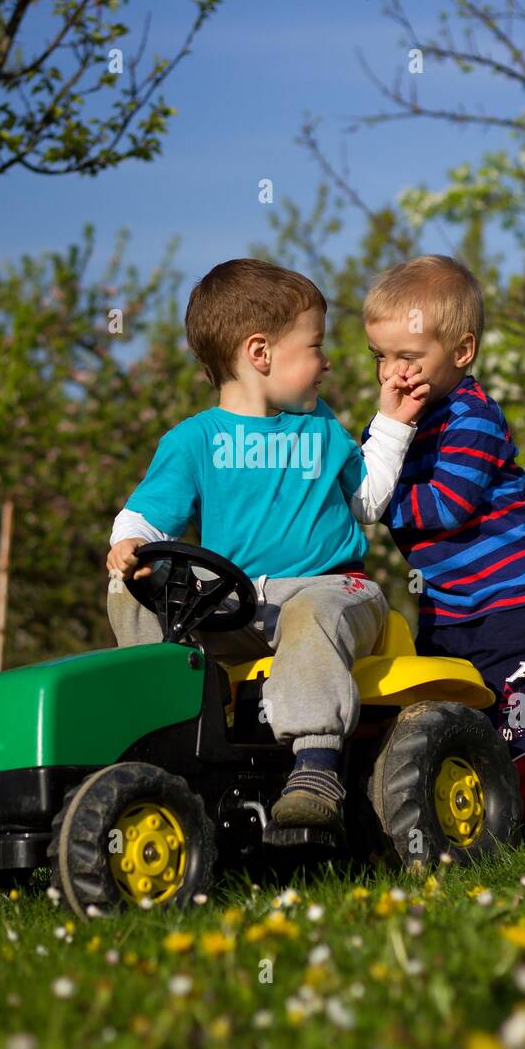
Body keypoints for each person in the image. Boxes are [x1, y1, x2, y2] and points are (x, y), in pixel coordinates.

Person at [106, 258, 430, 830]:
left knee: (311, 610)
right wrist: (130, 544)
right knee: (135, 589)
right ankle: (160, 737)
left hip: (332, 590)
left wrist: (394, 422)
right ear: (261, 354)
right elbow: (146, 517)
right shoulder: (194, 442)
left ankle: (316, 764)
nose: (327, 362)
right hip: (234, 607)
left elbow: (368, 502)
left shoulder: (322, 427)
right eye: (315, 347)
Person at [362, 255, 525, 839]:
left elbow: (447, 505)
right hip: (451, 603)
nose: (392, 374)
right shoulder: (397, 422)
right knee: (450, 709)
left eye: (409, 358)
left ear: (462, 352)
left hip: (516, 595)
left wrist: (380, 507)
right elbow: (366, 476)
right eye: (381, 357)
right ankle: (469, 816)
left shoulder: (470, 418)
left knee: (510, 711)